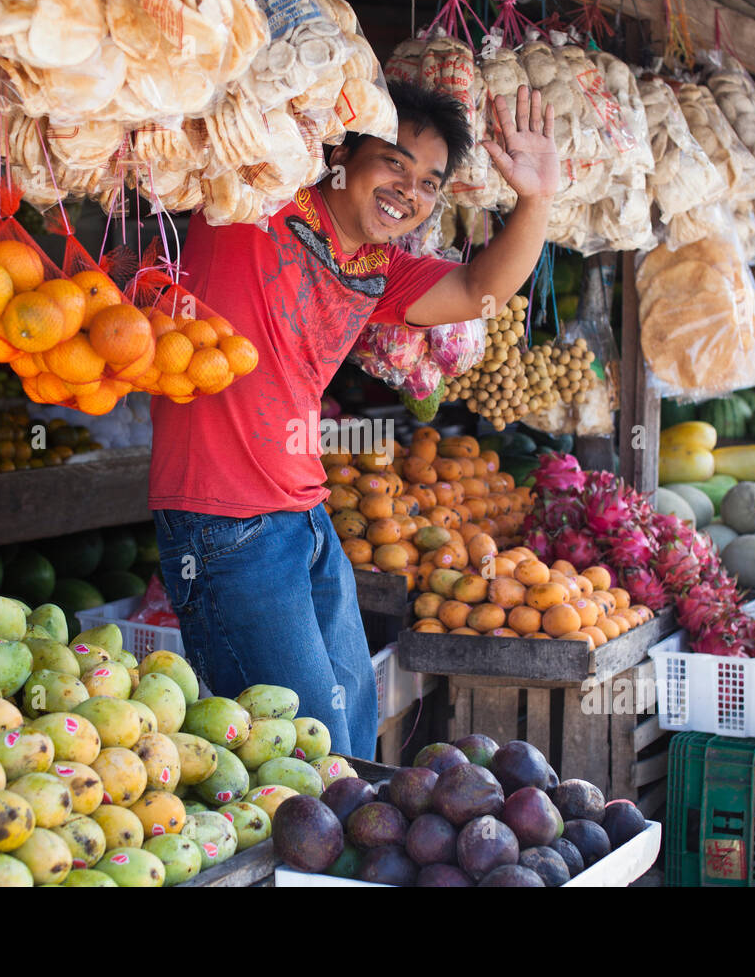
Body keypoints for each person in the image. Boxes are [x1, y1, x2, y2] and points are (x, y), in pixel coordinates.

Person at [148, 80, 561, 759]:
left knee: (356, 730)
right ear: (342, 151)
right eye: (394, 162)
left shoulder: (377, 267)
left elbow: (479, 290)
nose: (409, 189)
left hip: (305, 517)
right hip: (220, 519)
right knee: (305, 756)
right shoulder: (257, 197)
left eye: (429, 181)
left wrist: (537, 198)